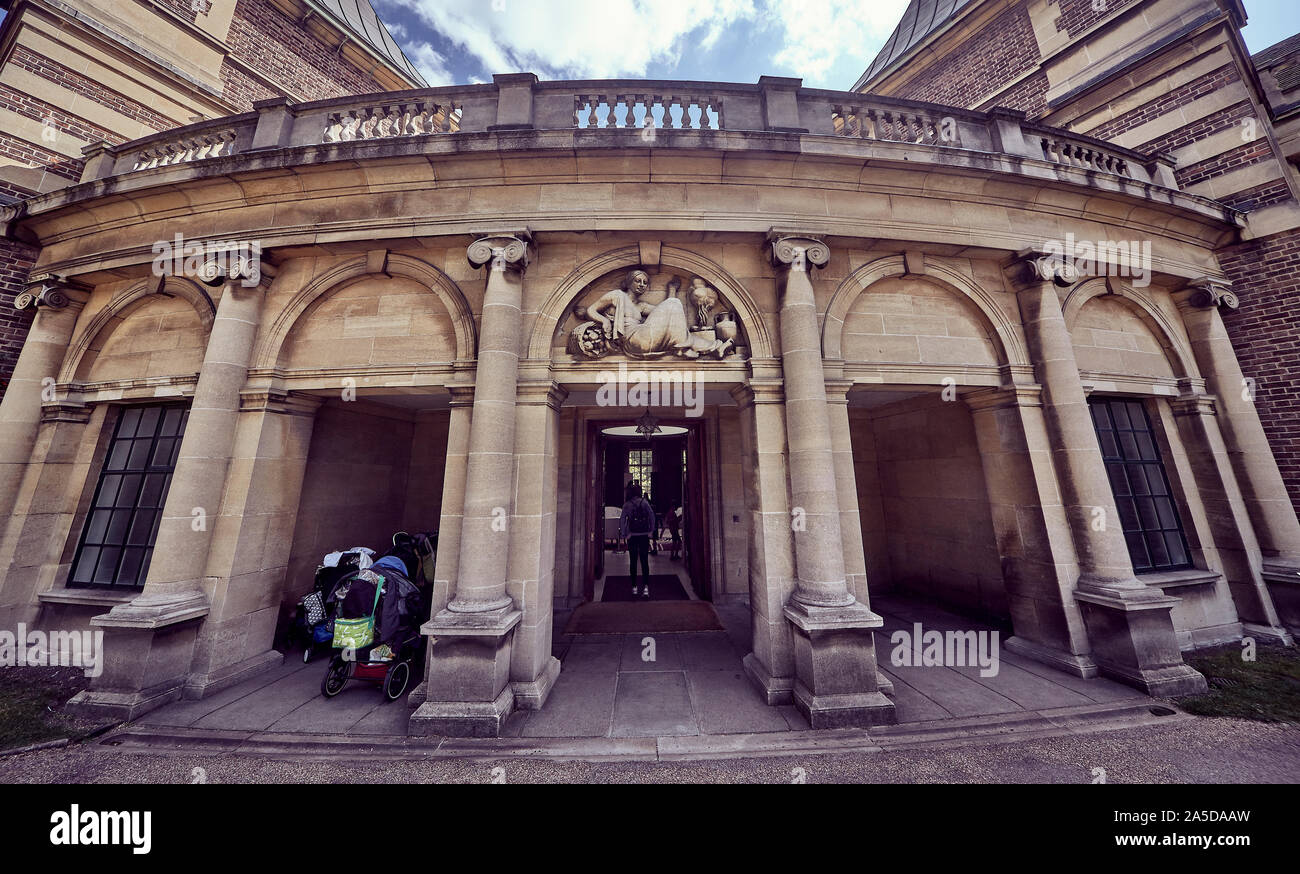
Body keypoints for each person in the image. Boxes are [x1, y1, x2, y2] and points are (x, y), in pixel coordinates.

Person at [620, 481, 656, 598]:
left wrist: (625, 534)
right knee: (645, 561)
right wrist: (651, 531)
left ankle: (634, 587)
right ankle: (646, 587)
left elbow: (622, 520)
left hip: (632, 535)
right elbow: (652, 516)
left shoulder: (626, 505)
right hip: (644, 535)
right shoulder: (644, 502)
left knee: (633, 561)